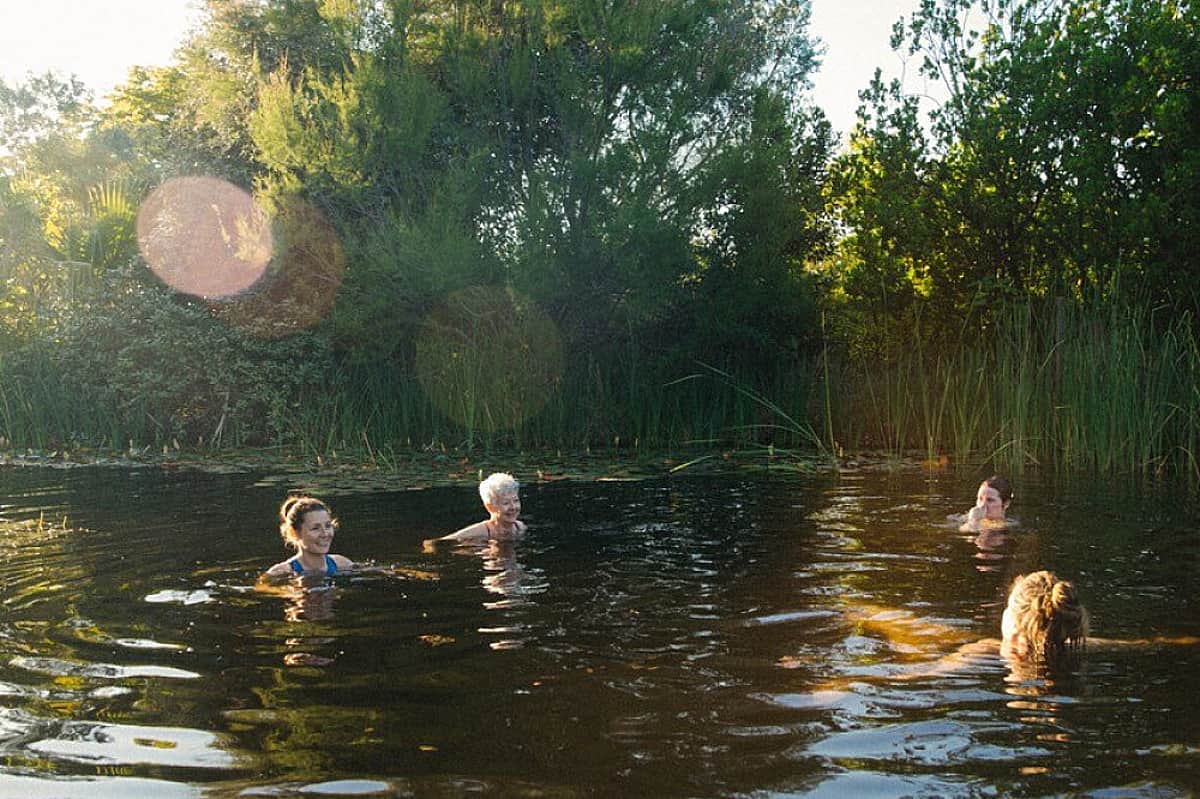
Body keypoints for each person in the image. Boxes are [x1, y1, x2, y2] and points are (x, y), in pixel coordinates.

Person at [425, 472, 526, 549]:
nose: (513, 507)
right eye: (506, 503)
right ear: (490, 507)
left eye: (516, 501)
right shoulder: (480, 531)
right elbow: (434, 543)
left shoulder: (520, 527)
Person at [264, 496, 355, 578]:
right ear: (294, 533)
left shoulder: (342, 564)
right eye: (315, 528)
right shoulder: (281, 572)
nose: (325, 534)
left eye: (328, 526)